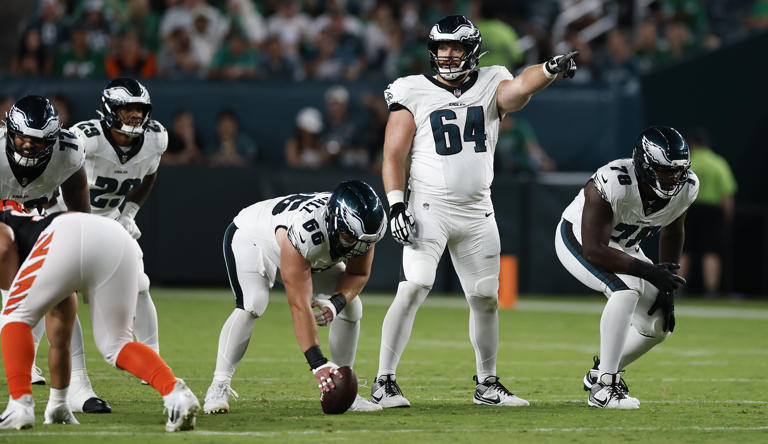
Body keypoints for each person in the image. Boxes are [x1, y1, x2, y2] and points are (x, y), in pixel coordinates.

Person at [373, 15, 577, 408]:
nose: (448, 56)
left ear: (472, 51)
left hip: (478, 210)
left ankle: (487, 384)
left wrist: (549, 70)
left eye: (456, 48)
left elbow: (517, 90)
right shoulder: (411, 89)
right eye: (442, 48)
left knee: (485, 297)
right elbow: (393, 153)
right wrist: (396, 202)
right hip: (428, 206)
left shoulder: (490, 79)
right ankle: (384, 381)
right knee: (414, 286)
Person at [0, 203, 199, 431]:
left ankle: (19, 406)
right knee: (116, 345)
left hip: (65, 234)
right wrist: (58, 402)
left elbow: (4, 246)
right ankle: (176, 393)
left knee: (13, 315)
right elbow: (60, 337)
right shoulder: (35, 242)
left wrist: (12, 298)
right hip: (114, 236)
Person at [203, 180, 386, 414]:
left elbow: (358, 273)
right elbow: (300, 303)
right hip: (253, 240)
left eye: (366, 242)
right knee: (253, 303)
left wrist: (335, 303)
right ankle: (219, 385)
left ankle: (344, 386)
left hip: (307, 252)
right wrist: (317, 363)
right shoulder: (306, 230)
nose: (358, 248)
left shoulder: (362, 229)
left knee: (351, 307)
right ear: (333, 221)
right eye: (351, 238)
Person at [554, 126, 696, 409]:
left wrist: (667, 283)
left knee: (658, 324)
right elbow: (595, 250)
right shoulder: (611, 181)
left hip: (625, 247)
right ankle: (605, 388)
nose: (673, 178)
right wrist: (649, 271)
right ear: (644, 165)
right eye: (665, 171)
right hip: (579, 238)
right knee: (626, 289)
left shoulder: (688, 187)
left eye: (678, 171)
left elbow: (673, 231)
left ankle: (600, 371)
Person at [0, 95, 109, 413]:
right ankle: (13, 317)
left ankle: (77, 386)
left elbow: (77, 193)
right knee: (4, 246)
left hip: (29, 216)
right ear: (10, 131)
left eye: (38, 140)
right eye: (23, 137)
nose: (29, 146)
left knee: (63, 286)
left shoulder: (69, 151)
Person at [69, 78, 166, 387]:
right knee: (58, 296)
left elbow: (149, 175)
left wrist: (129, 213)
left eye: (140, 110)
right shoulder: (86, 138)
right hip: (66, 217)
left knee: (139, 284)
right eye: (127, 110)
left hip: (109, 219)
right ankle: (67, 376)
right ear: (109, 110)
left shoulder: (155, 139)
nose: (135, 116)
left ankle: (152, 354)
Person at [679, 128, 737, 296]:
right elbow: (727, 195)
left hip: (688, 209)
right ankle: (711, 290)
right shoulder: (718, 163)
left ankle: (678, 289)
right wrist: (727, 217)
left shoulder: (687, 163)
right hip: (712, 212)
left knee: (684, 250)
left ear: (693, 145)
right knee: (711, 252)